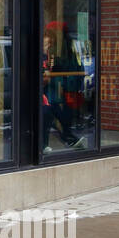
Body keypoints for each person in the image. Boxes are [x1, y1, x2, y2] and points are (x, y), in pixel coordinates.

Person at [41, 22, 87, 151]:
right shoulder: (42, 55)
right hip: (40, 93)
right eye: (48, 42)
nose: (50, 44)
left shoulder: (50, 55)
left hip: (47, 92)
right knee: (49, 112)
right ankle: (65, 138)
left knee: (56, 112)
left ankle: (66, 138)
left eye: (51, 42)